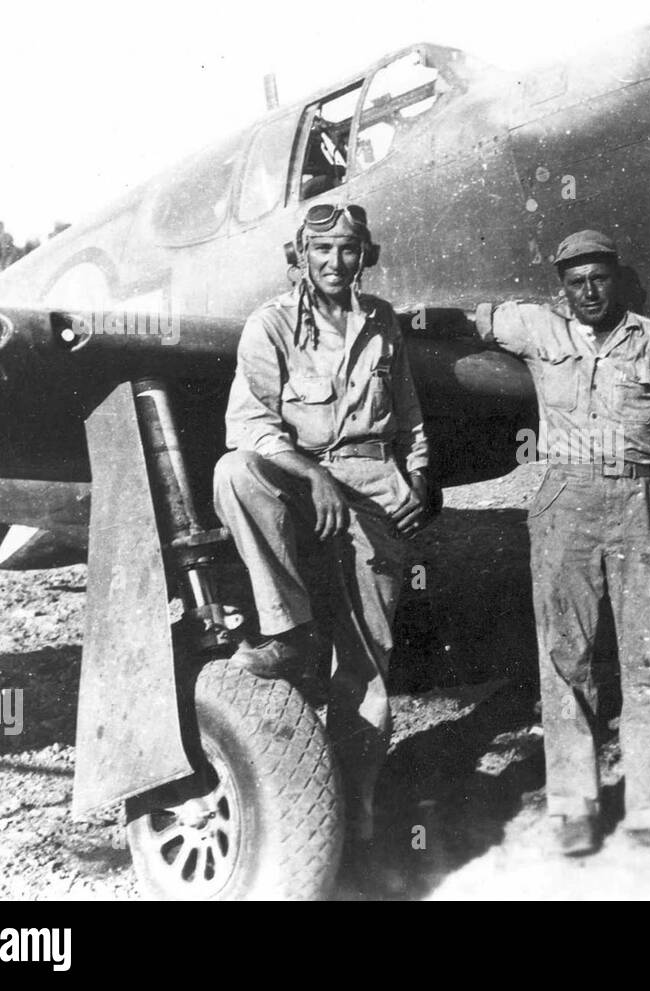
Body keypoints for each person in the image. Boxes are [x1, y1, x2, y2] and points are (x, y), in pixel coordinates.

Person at [475, 229, 650, 861]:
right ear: (561, 289)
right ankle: (574, 805)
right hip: (564, 501)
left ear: (617, 280)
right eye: (576, 283)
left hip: (638, 499)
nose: (589, 291)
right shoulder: (535, 329)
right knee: (565, 656)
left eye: (599, 278)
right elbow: (467, 321)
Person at [213, 203, 434, 842]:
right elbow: (250, 425)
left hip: (374, 488)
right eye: (322, 251)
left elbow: (410, 415)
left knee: (366, 668)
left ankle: (353, 820)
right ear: (300, 258)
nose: (335, 263)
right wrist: (313, 477)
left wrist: (417, 478)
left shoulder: (383, 323)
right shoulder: (271, 325)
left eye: (347, 250)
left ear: (364, 256)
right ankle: (288, 629)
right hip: (301, 478)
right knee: (235, 471)